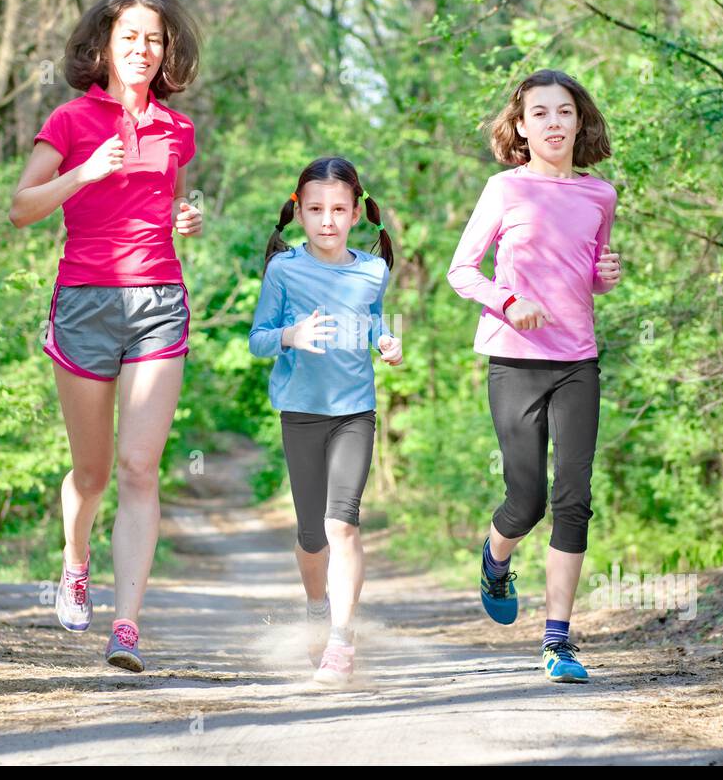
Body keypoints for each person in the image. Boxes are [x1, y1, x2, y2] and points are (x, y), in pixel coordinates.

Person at [9, 0, 202, 672]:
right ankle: (74, 559)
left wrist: (184, 220)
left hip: (158, 301)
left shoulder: (177, 130)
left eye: (153, 39)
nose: (142, 49)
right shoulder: (69, 120)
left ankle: (126, 624)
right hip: (86, 300)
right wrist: (85, 172)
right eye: (130, 37)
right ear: (105, 45)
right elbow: (21, 207)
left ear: (165, 51)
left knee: (139, 466)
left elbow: (169, 199)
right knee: (92, 473)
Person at [446, 69, 623, 683]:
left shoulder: (600, 195)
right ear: (520, 127)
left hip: (577, 360)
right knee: (524, 500)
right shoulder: (504, 189)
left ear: (581, 122)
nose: (553, 122)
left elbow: (590, 272)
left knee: (573, 499)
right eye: (540, 113)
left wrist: (606, 273)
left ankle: (558, 642)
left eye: (565, 111)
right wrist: (507, 301)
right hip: (516, 359)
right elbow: (461, 270)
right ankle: (497, 560)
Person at [248, 156, 402, 687]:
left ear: (357, 213)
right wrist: (291, 336)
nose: (328, 220)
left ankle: (341, 638)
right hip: (301, 413)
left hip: (355, 412)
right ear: (300, 211)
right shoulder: (283, 269)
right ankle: (318, 606)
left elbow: (375, 320)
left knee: (343, 524)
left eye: (339, 209)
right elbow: (257, 338)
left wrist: (386, 340)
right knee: (313, 536)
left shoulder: (373, 270)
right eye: (315, 209)